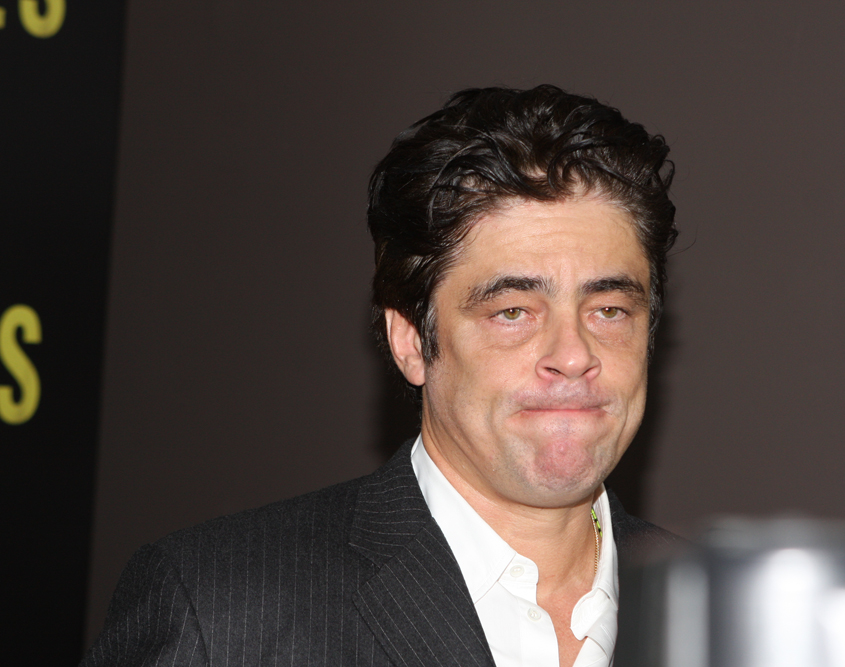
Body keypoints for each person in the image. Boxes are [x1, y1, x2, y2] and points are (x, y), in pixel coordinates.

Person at [82, 84, 682, 667]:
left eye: (609, 310)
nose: (573, 355)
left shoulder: (720, 614)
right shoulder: (218, 613)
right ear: (411, 341)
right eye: (512, 312)